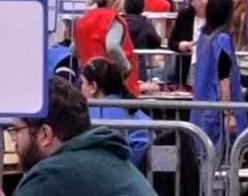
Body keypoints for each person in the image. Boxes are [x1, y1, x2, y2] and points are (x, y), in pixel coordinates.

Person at [10, 77, 155, 196]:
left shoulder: (49, 176)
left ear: (45, 134)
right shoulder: (105, 156)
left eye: (17, 130)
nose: (13, 139)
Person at [188, 0, 247, 150]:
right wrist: (229, 114)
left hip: (201, 108)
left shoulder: (203, 37)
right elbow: (224, 79)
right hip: (217, 113)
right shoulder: (222, 40)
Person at [79, 58, 151, 167]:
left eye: (83, 82)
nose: (80, 88)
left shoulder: (94, 115)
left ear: (93, 87)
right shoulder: (134, 109)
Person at [73, 0, 139, 98]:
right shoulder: (114, 20)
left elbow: (73, 50)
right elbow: (112, 46)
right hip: (110, 82)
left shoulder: (82, 20)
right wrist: (126, 67)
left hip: (88, 79)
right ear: (115, 0)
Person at [167, 0, 212, 87]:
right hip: (188, 68)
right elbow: (171, 42)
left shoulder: (218, 17)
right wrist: (183, 45)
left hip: (211, 69)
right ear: (191, 1)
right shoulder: (184, 16)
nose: (203, 1)